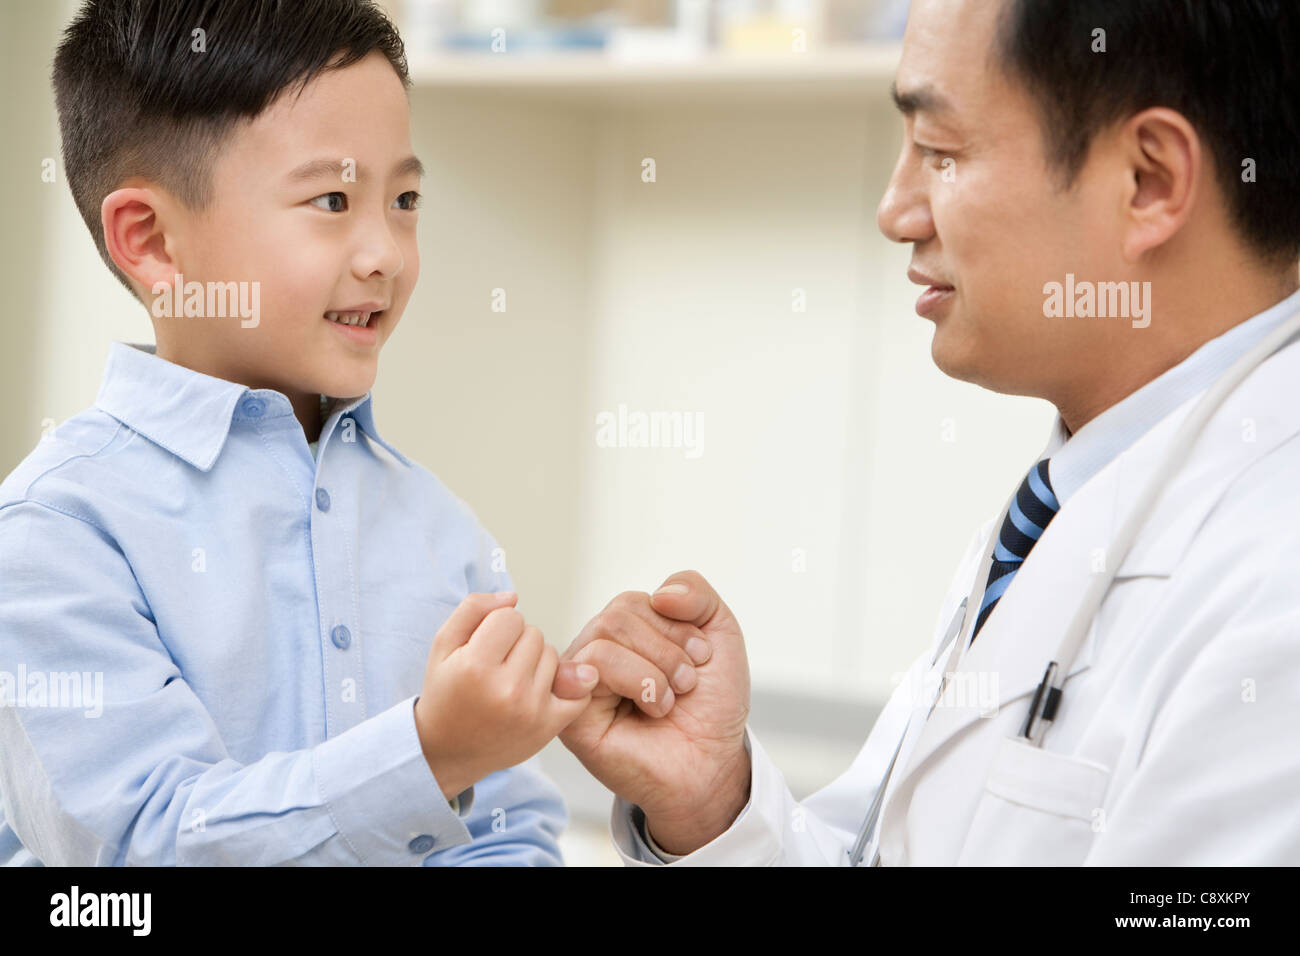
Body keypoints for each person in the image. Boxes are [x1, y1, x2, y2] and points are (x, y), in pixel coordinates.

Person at [557, 0, 1300, 864]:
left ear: (1149, 182)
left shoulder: (1273, 589)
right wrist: (715, 806)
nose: (896, 209)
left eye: (942, 153)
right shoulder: (1077, 498)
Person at [0, 0, 649, 866]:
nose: (386, 252)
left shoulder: (439, 531)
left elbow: (508, 831)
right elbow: (141, 853)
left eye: (406, 198)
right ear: (150, 240)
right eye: (333, 199)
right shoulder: (56, 532)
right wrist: (429, 755)